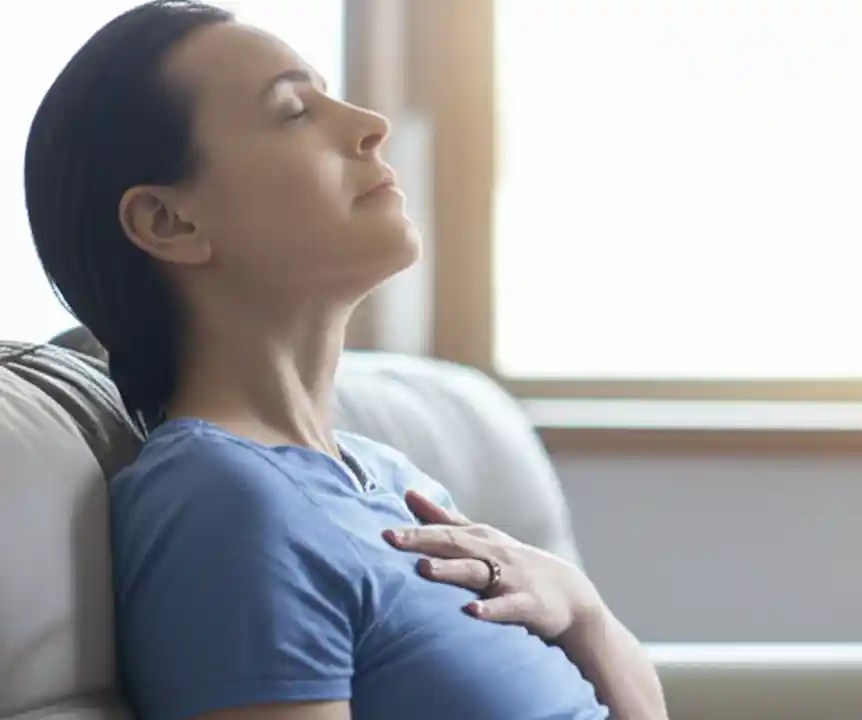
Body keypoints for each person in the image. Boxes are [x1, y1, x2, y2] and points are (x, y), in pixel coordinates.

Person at [23, 2, 667, 718]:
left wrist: (581, 609)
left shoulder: (387, 477)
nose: (371, 124)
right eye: (294, 111)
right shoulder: (224, 502)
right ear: (168, 222)